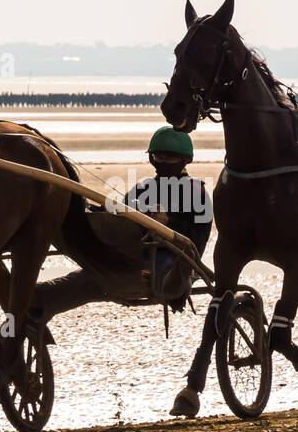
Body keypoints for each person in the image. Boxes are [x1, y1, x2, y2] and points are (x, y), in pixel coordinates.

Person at [33, 126, 211, 321]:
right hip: (122, 265)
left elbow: (197, 241)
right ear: (151, 158)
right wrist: (96, 209)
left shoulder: (196, 193)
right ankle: (31, 311)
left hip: (170, 271)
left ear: (186, 160)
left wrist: (170, 223)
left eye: (170, 157)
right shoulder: (144, 188)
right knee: (52, 292)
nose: (163, 162)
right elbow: (119, 214)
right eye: (158, 157)